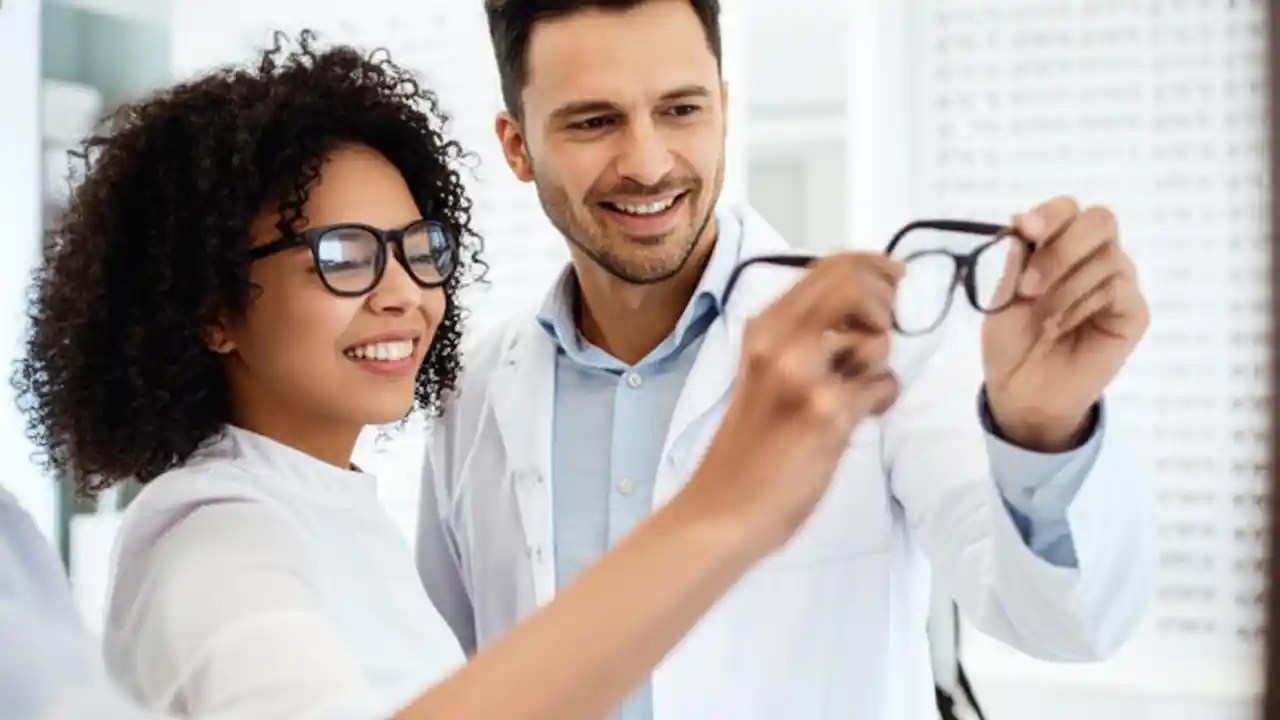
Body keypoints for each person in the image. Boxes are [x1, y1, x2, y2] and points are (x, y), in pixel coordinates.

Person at [11, 32, 903, 719]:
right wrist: (728, 511)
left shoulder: (322, 499)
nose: (403, 293)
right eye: (344, 255)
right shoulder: (214, 533)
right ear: (210, 306)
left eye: (416, 250)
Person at [415, 1, 1157, 718]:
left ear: (726, 109)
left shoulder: (878, 338)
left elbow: (1068, 621)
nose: (646, 163)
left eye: (681, 109)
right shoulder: (475, 396)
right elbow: (448, 677)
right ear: (517, 145)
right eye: (594, 121)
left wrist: (1042, 429)